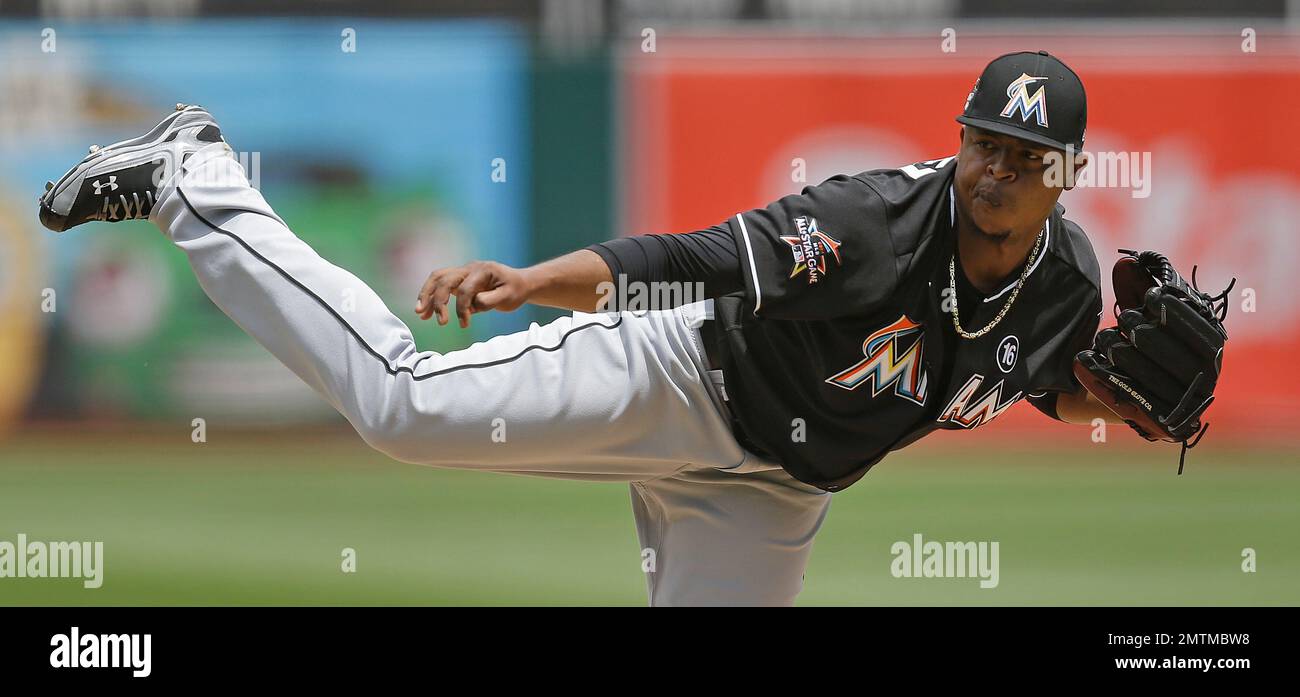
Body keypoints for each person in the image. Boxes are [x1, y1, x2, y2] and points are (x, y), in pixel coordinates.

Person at [38, 51, 1122, 606]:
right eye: (986, 143)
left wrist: (1120, 405)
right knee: (403, 406)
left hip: (775, 492)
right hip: (679, 376)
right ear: (962, 140)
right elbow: (686, 259)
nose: (998, 170)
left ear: (1065, 177)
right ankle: (195, 175)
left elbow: (1029, 375)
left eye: (1026, 158)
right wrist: (531, 281)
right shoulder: (870, 223)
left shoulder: (1064, 282)